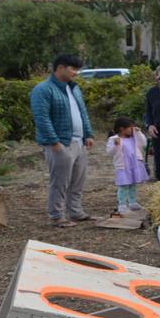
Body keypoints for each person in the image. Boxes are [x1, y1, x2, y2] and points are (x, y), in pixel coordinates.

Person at [29, 53, 95, 228]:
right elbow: (41, 118)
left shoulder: (74, 88)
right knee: (59, 182)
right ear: (60, 68)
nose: (76, 73)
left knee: (77, 180)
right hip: (60, 143)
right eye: (73, 69)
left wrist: (88, 134)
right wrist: (54, 142)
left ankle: (75, 211)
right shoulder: (43, 89)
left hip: (78, 142)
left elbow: (83, 112)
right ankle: (57, 215)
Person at [105, 117, 149, 215]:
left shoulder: (134, 138)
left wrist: (139, 133)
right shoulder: (114, 139)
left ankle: (132, 202)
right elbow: (110, 152)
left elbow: (143, 143)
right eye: (130, 128)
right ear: (122, 128)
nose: (132, 130)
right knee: (124, 185)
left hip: (134, 164)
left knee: (133, 184)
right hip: (123, 166)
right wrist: (116, 145)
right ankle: (122, 204)